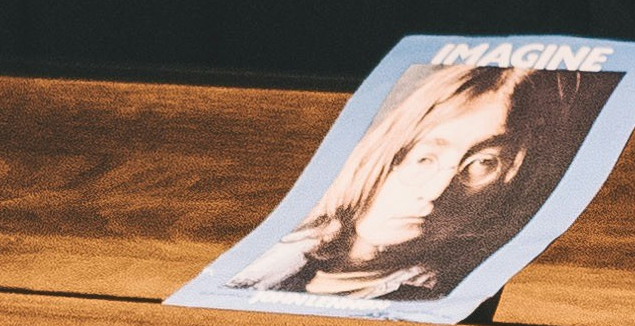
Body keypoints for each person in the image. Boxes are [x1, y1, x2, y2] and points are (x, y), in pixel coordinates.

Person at [223, 54, 614, 312]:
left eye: (481, 164)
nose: (435, 192)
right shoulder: (279, 257)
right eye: (426, 158)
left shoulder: (430, 294)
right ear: (387, 155)